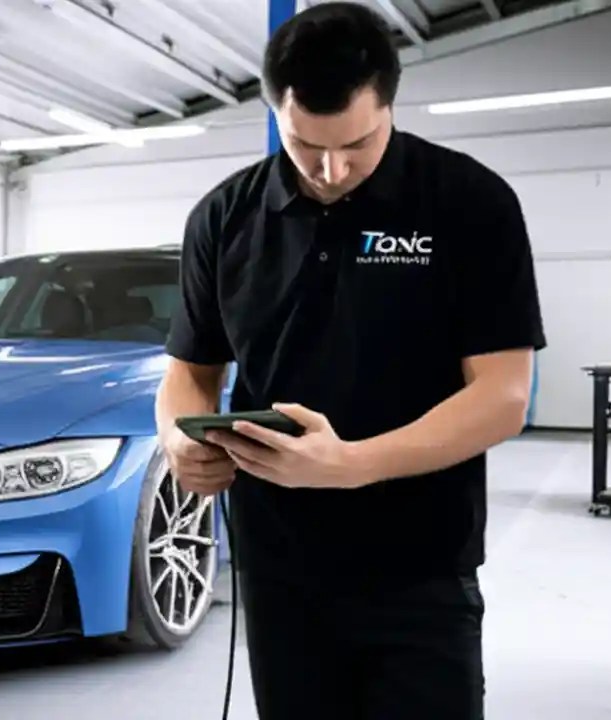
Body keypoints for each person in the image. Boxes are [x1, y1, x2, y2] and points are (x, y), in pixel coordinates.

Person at [155, 3, 545, 720]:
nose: (331, 170)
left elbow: (502, 395)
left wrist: (354, 464)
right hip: (280, 569)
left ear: (389, 105)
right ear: (277, 112)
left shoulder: (469, 202)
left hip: (420, 565)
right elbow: (190, 369)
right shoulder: (224, 217)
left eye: (356, 145)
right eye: (305, 146)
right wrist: (179, 439)